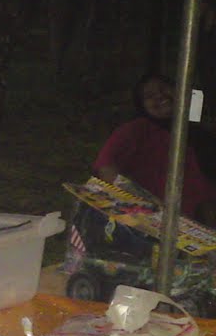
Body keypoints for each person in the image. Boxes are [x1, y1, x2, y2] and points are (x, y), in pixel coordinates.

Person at [92, 71, 216, 223]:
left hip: (201, 224)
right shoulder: (136, 130)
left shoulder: (201, 134)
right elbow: (105, 166)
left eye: (164, 89)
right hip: (150, 220)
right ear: (142, 105)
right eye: (150, 96)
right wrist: (136, 203)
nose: (160, 96)